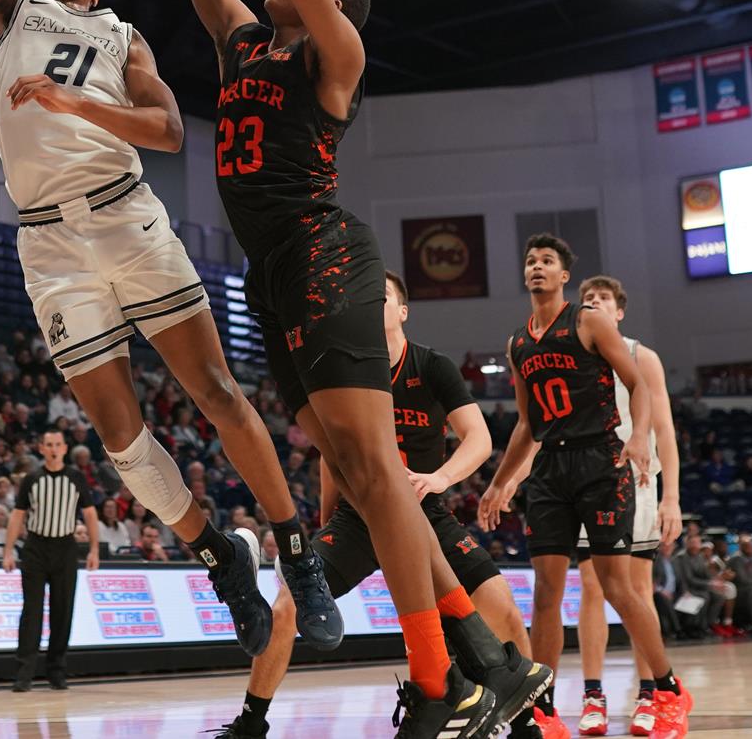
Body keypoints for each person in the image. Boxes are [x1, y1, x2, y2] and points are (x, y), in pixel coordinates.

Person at [139, 0, 516, 739]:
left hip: (323, 249)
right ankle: (480, 658)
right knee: (354, 474)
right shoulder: (240, 42)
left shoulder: (335, 55)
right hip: (268, 272)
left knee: (371, 463)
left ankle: (446, 681)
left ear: (326, 6)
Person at [0, 0, 341, 670]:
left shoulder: (119, 35)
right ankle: (217, 554)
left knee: (214, 385)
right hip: (47, 242)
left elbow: (169, 128)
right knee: (121, 439)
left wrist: (76, 107)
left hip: (128, 219)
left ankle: (294, 548)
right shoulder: (8, 10)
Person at [222, 273, 550, 739]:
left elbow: (479, 439)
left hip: (425, 511)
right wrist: (328, 518)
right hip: (357, 518)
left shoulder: (431, 366)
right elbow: (330, 454)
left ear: (403, 311)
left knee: (502, 607)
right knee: (288, 605)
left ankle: (527, 724)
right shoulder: (348, 371)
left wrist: (439, 478)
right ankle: (251, 723)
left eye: (384, 296)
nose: (370, 302)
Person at [481, 238, 685, 739]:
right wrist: (500, 481)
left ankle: (666, 689)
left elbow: (637, 385)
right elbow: (527, 424)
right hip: (551, 467)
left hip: (600, 459)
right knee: (546, 591)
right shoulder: (517, 343)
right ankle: (544, 706)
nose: (536, 268)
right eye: (530, 261)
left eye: (547, 262)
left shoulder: (589, 320)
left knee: (618, 586)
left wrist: (638, 436)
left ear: (564, 275)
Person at [565, 278, 682, 739]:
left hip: (636, 481)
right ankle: (593, 696)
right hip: (587, 477)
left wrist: (671, 496)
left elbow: (666, 432)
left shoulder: (641, 356)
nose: (592, 304)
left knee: (637, 589)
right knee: (591, 587)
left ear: (619, 312)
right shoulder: (572, 355)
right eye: (587, 300)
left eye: (602, 300)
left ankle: (649, 695)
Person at [3, 431, 101, 691]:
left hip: (66, 548)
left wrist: (93, 549)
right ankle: (24, 673)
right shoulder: (31, 479)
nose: (54, 448)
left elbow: (90, 515)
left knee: (62, 610)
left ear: (65, 448)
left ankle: (56, 671)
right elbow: (17, 516)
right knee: (31, 612)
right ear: (41, 449)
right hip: (36, 548)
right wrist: (8, 551)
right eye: (49, 445)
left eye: (58, 444)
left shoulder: (76, 478)